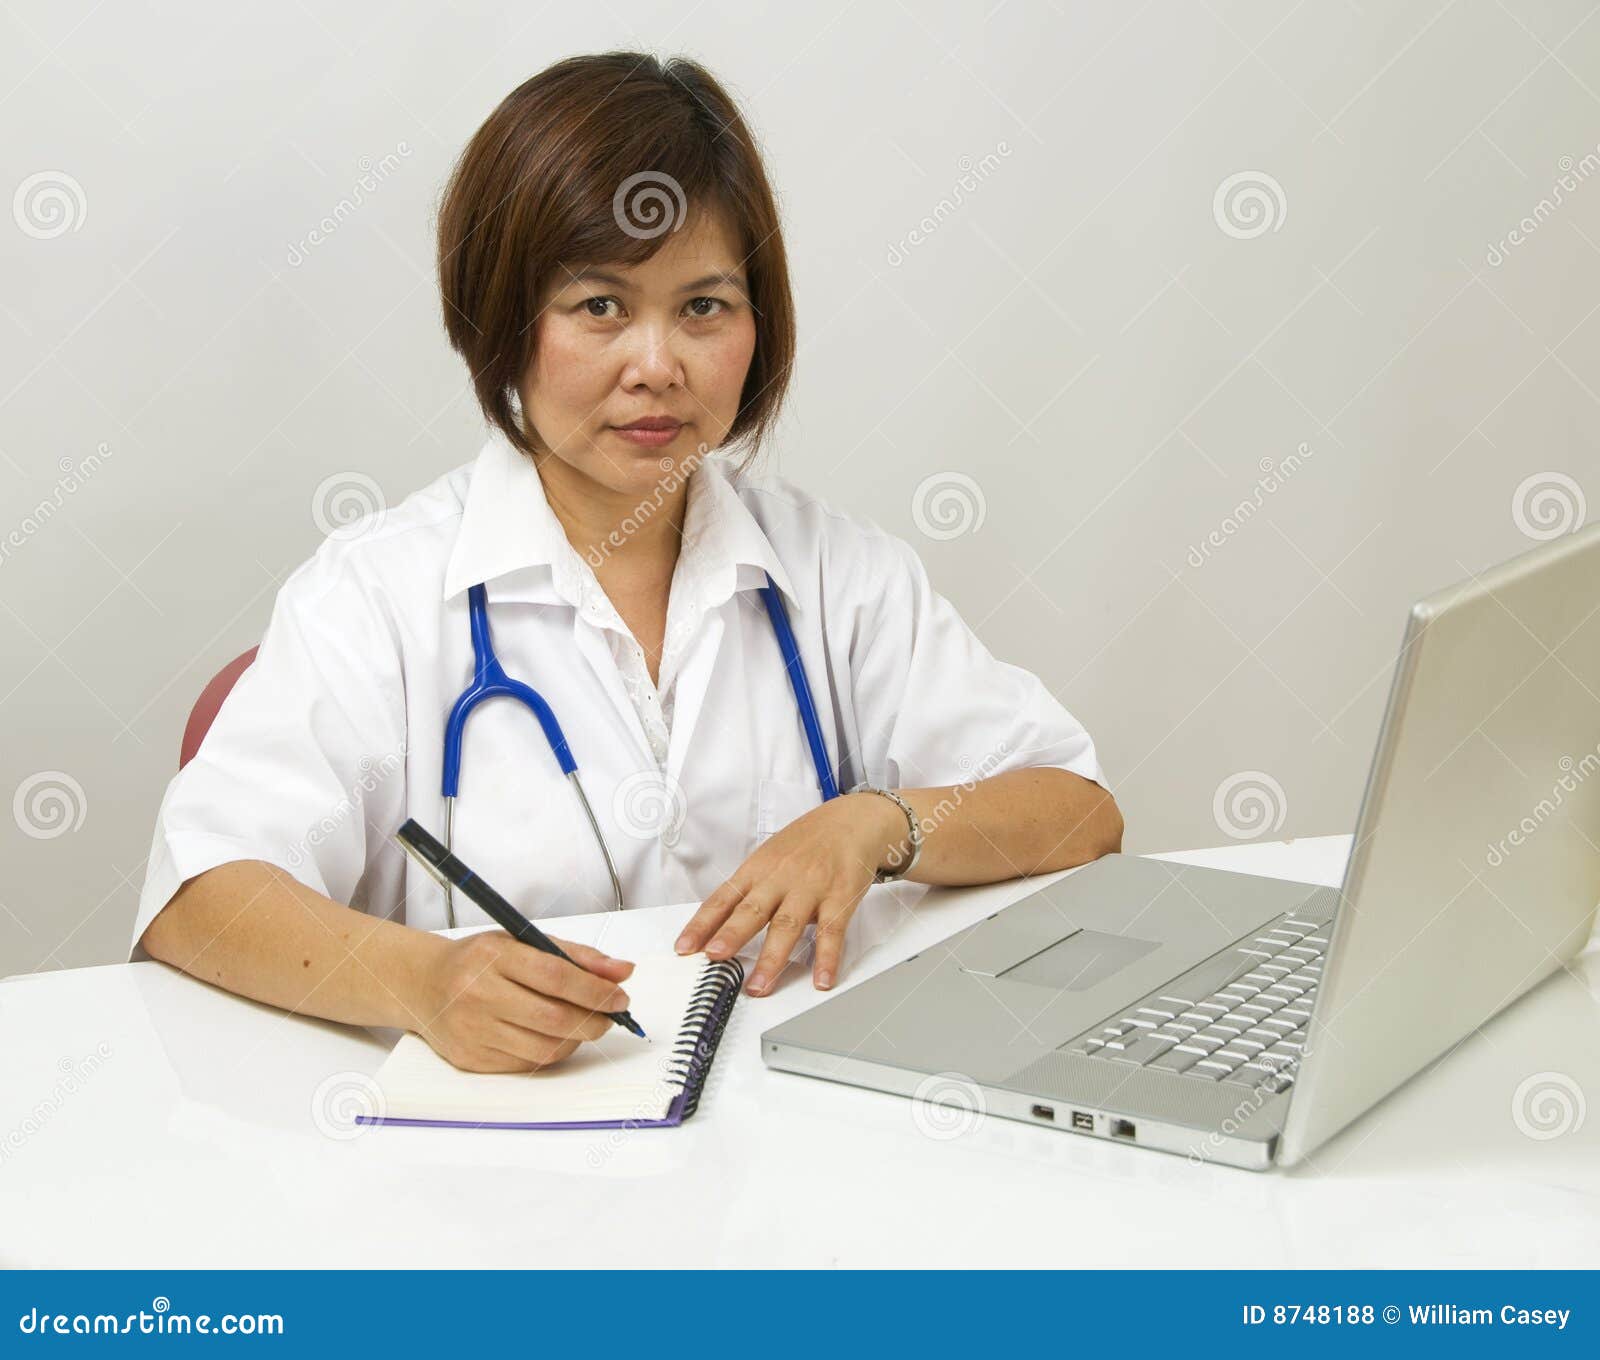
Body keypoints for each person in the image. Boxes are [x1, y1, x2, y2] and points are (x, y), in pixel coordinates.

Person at [133, 51, 1122, 1074]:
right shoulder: (375, 592)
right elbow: (198, 895)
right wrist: (419, 980)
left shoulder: (836, 573)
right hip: (483, 1192)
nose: (658, 365)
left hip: (791, 1171)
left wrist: (882, 821)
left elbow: (1076, 809)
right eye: (600, 306)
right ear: (504, 324)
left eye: (703, 307)